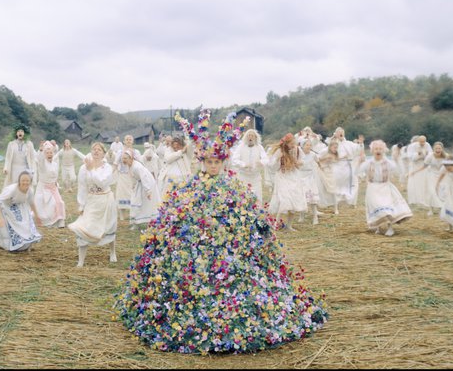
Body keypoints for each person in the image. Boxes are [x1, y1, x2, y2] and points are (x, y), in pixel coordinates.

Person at [115, 110, 327, 354]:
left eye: (217, 162)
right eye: (209, 162)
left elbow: (251, 213)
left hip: (231, 256)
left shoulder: (234, 187)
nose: (213, 166)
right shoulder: (189, 190)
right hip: (196, 258)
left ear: (223, 162)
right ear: (203, 162)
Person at [69, 142, 118, 267]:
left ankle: (112, 252)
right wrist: (81, 205)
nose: (96, 151)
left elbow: (102, 183)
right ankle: (80, 261)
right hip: (91, 200)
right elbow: (82, 187)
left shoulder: (107, 167)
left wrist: (92, 170)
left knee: (109, 227)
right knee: (83, 227)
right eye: (94, 149)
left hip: (105, 199)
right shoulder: (83, 168)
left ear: (103, 153)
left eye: (99, 150)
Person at [358, 140, 413, 236]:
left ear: (383, 150)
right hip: (373, 187)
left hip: (385, 186)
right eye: (376, 149)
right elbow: (359, 171)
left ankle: (390, 227)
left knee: (387, 208)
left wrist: (394, 159)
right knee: (376, 206)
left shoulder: (387, 162)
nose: (378, 151)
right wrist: (360, 162)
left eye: (380, 149)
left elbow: (397, 170)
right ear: (372, 151)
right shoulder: (369, 162)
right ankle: (378, 227)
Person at [0, 171, 42, 252]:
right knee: (7, 233)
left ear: (30, 182)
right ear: (19, 181)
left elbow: (32, 203)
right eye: (23, 180)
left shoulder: (30, 191)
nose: (25, 182)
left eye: (27, 180)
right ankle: (2, 243)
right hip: (6, 208)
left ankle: (24, 243)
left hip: (20, 209)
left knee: (25, 226)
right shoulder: (11, 189)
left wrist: (37, 216)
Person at [268, 133, 308, 231]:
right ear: (286, 143)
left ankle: (289, 225)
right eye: (291, 144)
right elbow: (272, 167)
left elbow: (303, 161)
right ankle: (276, 224)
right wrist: (278, 159)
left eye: (294, 143)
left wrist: (299, 163)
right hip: (282, 176)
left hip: (294, 176)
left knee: (294, 200)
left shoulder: (298, 150)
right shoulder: (280, 151)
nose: (293, 146)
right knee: (285, 200)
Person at [121, 148, 158, 227]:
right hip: (140, 183)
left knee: (146, 202)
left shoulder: (137, 166)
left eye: (125, 158)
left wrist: (148, 191)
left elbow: (144, 177)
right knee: (136, 200)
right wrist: (133, 185)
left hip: (148, 183)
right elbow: (132, 177)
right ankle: (136, 221)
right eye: (122, 158)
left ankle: (149, 220)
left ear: (131, 158)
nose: (123, 160)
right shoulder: (130, 165)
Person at [230, 129, 268, 203]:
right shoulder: (241, 147)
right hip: (243, 177)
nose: (250, 137)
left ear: (255, 137)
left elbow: (266, 159)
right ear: (246, 137)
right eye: (248, 136)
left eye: (252, 136)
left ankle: (257, 212)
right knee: (243, 197)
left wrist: (261, 162)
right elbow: (234, 160)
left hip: (255, 177)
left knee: (257, 197)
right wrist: (243, 164)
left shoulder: (259, 147)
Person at [34, 141, 66, 228]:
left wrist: (56, 183)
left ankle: (60, 220)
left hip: (53, 188)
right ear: (44, 154)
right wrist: (40, 151)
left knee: (59, 202)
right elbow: (40, 159)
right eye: (47, 153)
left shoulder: (55, 164)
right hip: (43, 188)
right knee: (45, 206)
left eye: (51, 152)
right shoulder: (42, 163)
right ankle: (47, 221)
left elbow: (55, 176)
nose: (49, 154)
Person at [114, 135, 142, 221]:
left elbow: (140, 163)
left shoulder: (136, 151)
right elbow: (115, 163)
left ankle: (132, 214)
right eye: (127, 139)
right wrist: (110, 172)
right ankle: (122, 215)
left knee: (133, 195)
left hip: (133, 176)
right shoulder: (120, 152)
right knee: (121, 195)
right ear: (124, 141)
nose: (128, 141)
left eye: (130, 139)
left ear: (133, 141)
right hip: (122, 176)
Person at [156, 135, 193, 200]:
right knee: (167, 198)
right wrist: (180, 152)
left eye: (178, 145)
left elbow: (191, 145)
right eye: (174, 145)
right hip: (169, 181)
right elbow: (168, 159)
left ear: (182, 145)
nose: (175, 147)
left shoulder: (186, 153)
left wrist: (189, 135)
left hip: (183, 180)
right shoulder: (169, 150)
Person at [406, 135, 433, 212]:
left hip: (424, 166)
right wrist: (418, 154)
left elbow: (431, 155)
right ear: (418, 141)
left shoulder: (427, 145)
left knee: (424, 182)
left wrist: (427, 154)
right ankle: (415, 199)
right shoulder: (412, 146)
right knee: (415, 183)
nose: (422, 143)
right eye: (421, 142)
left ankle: (425, 198)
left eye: (424, 141)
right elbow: (410, 157)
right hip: (415, 166)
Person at [298, 138, 321, 225]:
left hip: (310, 177)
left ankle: (315, 216)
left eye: (310, 145)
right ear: (303, 146)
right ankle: (302, 215)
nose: (309, 146)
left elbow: (318, 162)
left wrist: (321, 168)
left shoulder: (313, 154)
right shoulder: (299, 154)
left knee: (312, 198)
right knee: (302, 197)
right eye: (307, 145)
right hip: (301, 176)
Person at [421, 142, 447, 216]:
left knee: (441, 191)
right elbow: (425, 165)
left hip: (442, 176)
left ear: (442, 149)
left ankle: (441, 208)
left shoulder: (446, 156)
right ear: (433, 149)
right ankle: (430, 209)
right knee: (432, 192)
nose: (438, 150)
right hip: (432, 175)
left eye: (439, 148)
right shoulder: (430, 156)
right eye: (436, 148)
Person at [316, 140, 341, 214]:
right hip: (323, 171)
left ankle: (336, 208)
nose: (335, 149)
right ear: (330, 147)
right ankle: (318, 206)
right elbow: (318, 159)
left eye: (336, 148)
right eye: (334, 147)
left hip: (332, 172)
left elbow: (337, 162)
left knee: (334, 190)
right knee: (321, 189)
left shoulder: (336, 154)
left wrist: (333, 160)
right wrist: (326, 159)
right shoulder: (324, 151)